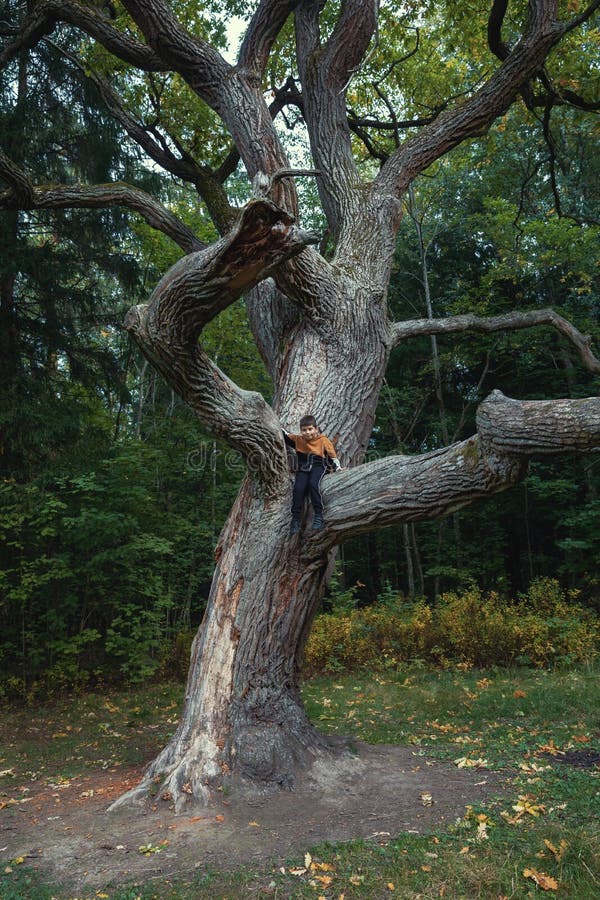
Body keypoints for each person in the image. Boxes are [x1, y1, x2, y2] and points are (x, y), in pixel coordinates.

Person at [283, 415, 342, 534]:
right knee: (298, 489)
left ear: (316, 429)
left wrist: (338, 468)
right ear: (301, 430)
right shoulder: (298, 440)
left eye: (310, 429)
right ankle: (295, 519)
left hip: (318, 466)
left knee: (313, 484)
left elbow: (331, 455)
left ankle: (319, 515)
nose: (307, 432)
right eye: (304, 430)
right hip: (303, 468)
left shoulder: (323, 440)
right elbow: (286, 436)